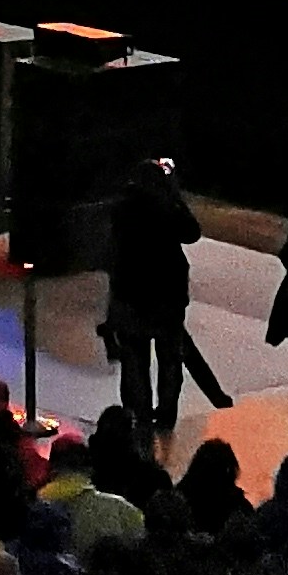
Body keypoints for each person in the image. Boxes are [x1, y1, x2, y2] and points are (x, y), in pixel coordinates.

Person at [104, 154, 202, 443]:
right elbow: (192, 232)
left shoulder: (122, 209)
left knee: (135, 361)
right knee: (170, 360)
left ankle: (139, 415)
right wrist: (174, 194)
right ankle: (166, 414)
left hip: (131, 296)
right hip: (166, 299)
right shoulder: (167, 208)